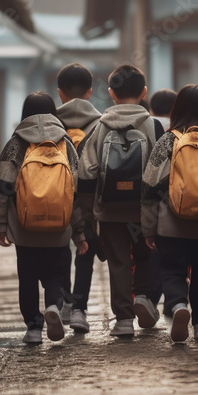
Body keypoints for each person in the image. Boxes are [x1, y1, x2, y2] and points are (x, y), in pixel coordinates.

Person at [0, 92, 89, 344]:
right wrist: (79, 232)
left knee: (28, 276)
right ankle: (54, 306)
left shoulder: (16, 142)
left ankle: (33, 327)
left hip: (24, 228)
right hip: (60, 228)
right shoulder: (65, 143)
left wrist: (0, 225)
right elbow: (76, 193)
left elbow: (1, 186)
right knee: (56, 272)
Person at [78, 64, 164, 337]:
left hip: (110, 209)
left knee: (118, 261)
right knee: (147, 253)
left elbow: (87, 170)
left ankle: (123, 319)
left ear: (111, 94)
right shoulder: (153, 126)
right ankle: (143, 297)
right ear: (144, 92)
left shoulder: (100, 126)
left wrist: (91, 211)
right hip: (144, 209)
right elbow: (163, 169)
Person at [141, 85, 198, 343]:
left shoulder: (168, 140)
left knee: (172, 269)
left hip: (170, 222)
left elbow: (149, 184)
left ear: (177, 108)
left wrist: (148, 228)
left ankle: (179, 305)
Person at [54, 63, 104, 333]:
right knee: (86, 253)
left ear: (60, 93)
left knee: (61, 250)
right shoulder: (101, 124)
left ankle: (62, 301)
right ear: (90, 92)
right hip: (90, 204)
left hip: (56, 201)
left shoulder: (50, 123)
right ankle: (79, 310)